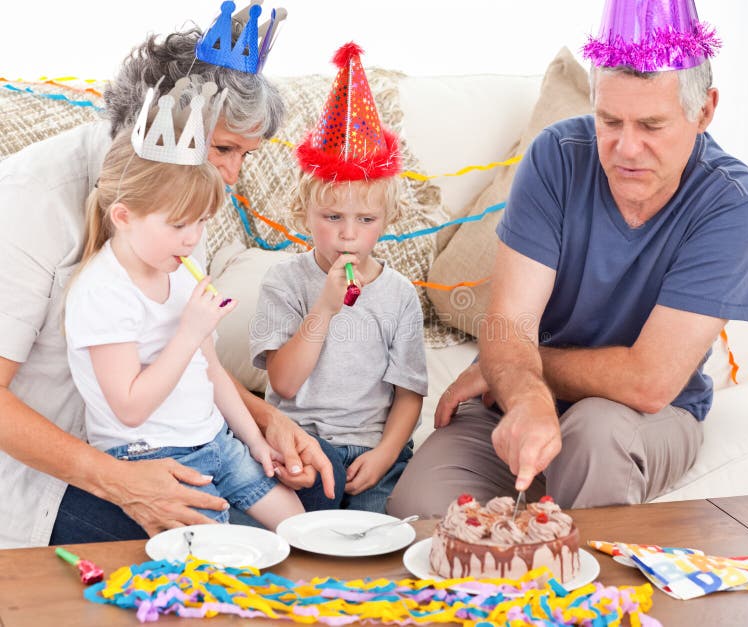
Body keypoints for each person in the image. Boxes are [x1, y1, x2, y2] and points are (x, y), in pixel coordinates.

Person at [387, 0, 748, 517]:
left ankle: (581, 596)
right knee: (422, 513)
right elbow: (507, 325)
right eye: (609, 120)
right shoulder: (556, 157)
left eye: (651, 126)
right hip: (519, 393)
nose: (626, 148)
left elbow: (649, 382)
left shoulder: (735, 203)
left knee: (596, 433)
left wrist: (520, 370)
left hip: (639, 417)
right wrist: (522, 392)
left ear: (704, 111)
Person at [0, 17, 332, 549]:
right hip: (57, 471)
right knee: (246, 548)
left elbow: (185, 352)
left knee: (317, 503)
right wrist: (123, 484)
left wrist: (266, 421)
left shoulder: (183, 201)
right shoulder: (29, 200)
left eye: (245, 155)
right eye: (223, 149)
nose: (232, 175)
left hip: (176, 438)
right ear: (156, 131)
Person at [65, 83, 305, 529]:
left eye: (202, 222)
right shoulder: (103, 292)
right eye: (179, 224)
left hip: (214, 436)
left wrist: (255, 441)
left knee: (299, 527)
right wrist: (190, 332)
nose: (193, 239)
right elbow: (130, 407)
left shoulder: (178, 264)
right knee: (222, 560)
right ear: (123, 216)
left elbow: (209, 369)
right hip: (153, 454)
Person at [249, 43, 428, 513]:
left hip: (375, 454)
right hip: (302, 446)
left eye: (365, 221)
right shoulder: (284, 283)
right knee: (303, 534)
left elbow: (410, 394)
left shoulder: (400, 295)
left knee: (374, 542)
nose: (348, 235)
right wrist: (325, 308)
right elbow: (285, 384)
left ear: (387, 219)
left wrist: (386, 454)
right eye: (332, 217)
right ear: (302, 210)